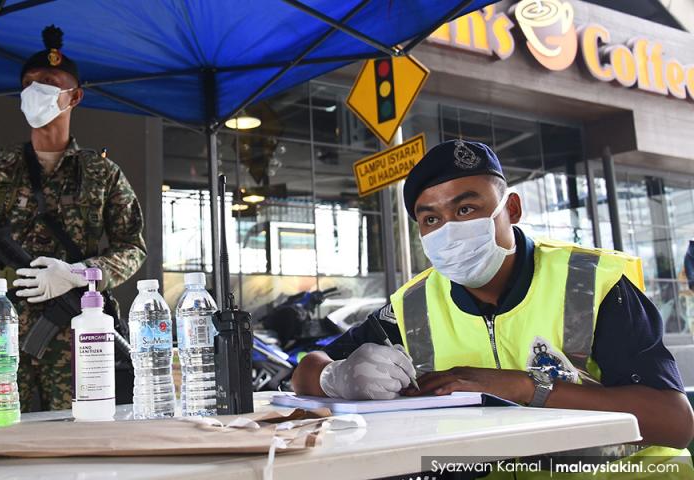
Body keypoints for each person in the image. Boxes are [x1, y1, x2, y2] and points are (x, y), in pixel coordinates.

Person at [292, 139, 694, 468]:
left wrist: (524, 387)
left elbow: (674, 422)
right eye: (430, 219)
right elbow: (305, 372)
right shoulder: (414, 304)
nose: (449, 230)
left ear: (512, 209)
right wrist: (338, 377)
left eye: (466, 209)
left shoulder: (589, 283)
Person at [0, 25, 146, 411]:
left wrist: (79, 272)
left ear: (75, 96)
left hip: (75, 330)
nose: (37, 91)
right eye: (30, 83)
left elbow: (132, 247)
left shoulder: (102, 173)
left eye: (49, 82)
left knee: (77, 435)